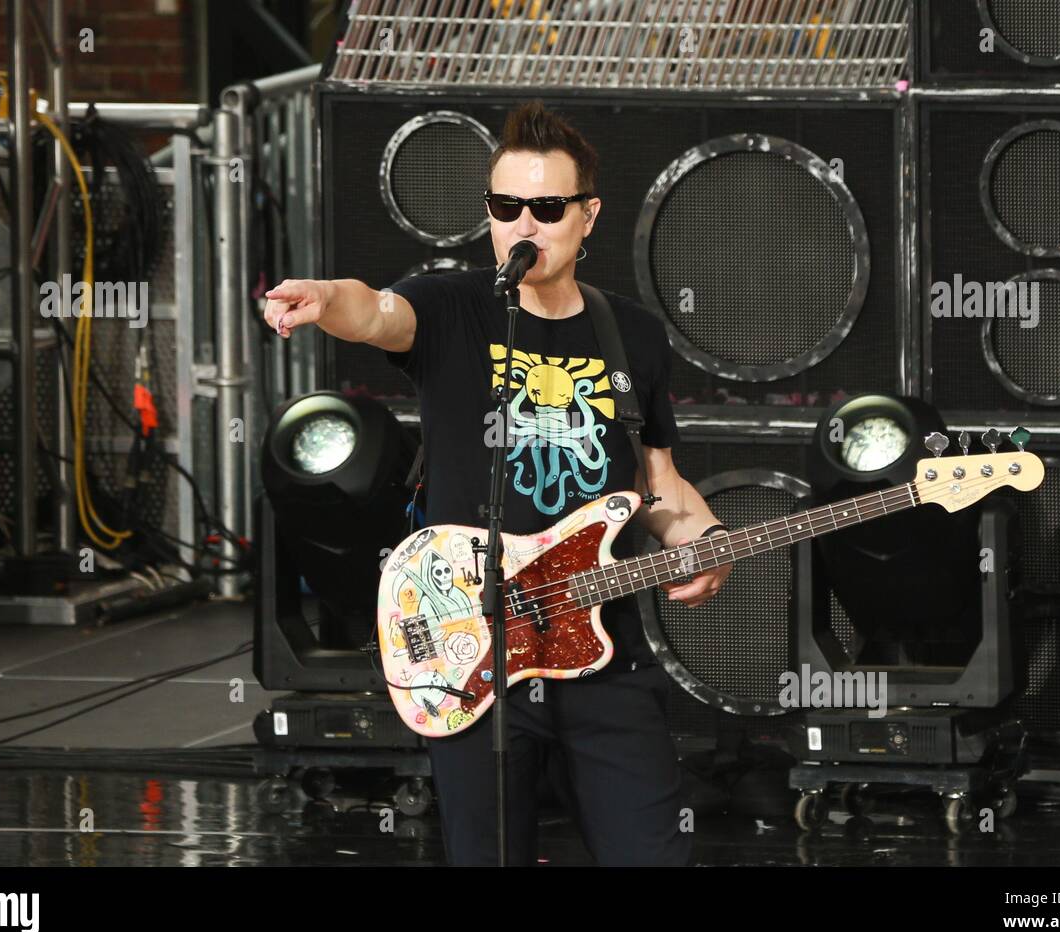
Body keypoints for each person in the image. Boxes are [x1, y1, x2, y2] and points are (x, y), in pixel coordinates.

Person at [262, 100, 732, 865]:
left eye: (547, 208)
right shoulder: (452, 306)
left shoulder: (632, 334)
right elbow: (376, 311)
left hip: (603, 650)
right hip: (474, 644)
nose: (523, 225)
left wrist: (706, 540)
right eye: (505, 206)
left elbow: (658, 485)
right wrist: (325, 297)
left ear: (588, 217)